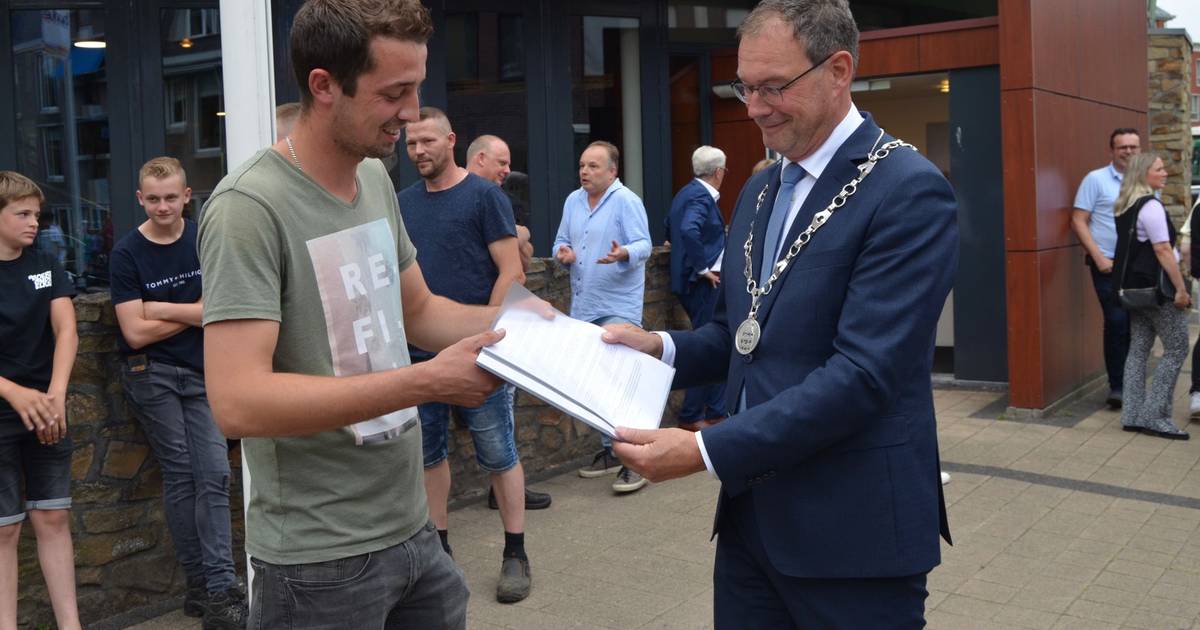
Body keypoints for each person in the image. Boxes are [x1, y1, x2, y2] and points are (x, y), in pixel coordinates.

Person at [602, 1, 956, 626]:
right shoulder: (764, 187)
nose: (754, 106)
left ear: (839, 70)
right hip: (751, 526)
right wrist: (658, 347)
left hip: (855, 537)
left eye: (773, 87)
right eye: (745, 86)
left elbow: (864, 376)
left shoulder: (907, 189)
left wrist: (703, 451)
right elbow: (741, 334)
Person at [198, 1, 508, 627]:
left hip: (412, 527)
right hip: (317, 561)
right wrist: (425, 381)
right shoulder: (247, 209)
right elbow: (237, 401)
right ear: (324, 85)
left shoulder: (371, 178)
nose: (412, 112)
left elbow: (420, 311)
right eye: (394, 92)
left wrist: (532, 329)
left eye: (417, 87)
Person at [399, 107, 548, 603]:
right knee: (428, 456)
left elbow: (512, 272)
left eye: (427, 141)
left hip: (481, 354)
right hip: (419, 356)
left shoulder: (485, 196)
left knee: (499, 453)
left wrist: (486, 334)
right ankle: (439, 553)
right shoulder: (401, 204)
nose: (419, 151)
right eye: (411, 143)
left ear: (450, 140)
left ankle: (516, 552)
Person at [109, 157, 245, 628]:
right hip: (152, 374)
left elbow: (218, 312)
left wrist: (157, 307)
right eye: (153, 198)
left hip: (205, 373)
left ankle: (219, 587)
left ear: (187, 196)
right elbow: (134, 333)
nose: (163, 206)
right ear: (140, 200)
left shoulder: (204, 239)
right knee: (184, 475)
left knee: (214, 474)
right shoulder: (127, 253)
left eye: (171, 197)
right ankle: (208, 590)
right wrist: (192, 310)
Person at [0, 172, 80, 630]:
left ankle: (71, 625)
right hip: (3, 412)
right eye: (22, 214)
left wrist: (56, 394)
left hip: (46, 411)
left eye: (37, 214)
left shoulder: (46, 262)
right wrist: (15, 393)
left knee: (52, 517)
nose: (34, 223)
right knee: (5, 529)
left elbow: (66, 330)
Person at [553, 141, 652, 494]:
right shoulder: (572, 201)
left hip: (617, 304)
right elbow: (561, 241)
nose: (585, 172)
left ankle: (635, 461)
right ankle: (610, 451)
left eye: (594, 166)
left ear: (613, 171)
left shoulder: (626, 201)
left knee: (621, 381)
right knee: (597, 383)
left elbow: (644, 245)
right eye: (582, 165)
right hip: (584, 304)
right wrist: (562, 253)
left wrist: (623, 251)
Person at [1112, 153, 1190, 439]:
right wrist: (1180, 289)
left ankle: (1132, 414)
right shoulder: (1151, 206)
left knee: (1139, 349)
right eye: (1159, 169)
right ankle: (1155, 416)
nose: (1165, 172)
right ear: (1144, 174)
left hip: (1134, 292)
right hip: (1156, 293)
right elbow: (1163, 250)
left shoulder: (1125, 205)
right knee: (1177, 348)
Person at [1072, 128, 1142, 409]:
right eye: (1121, 147)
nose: (1127, 151)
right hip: (1107, 266)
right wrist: (1098, 257)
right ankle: (1118, 387)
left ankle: (1134, 385)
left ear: (1140, 150)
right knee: (1116, 322)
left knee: (1137, 326)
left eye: (1132, 147)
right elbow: (1078, 220)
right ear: (1111, 151)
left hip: (1140, 267)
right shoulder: (1095, 180)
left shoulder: (1147, 181)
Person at [666, 145, 728, 431]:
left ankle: (716, 410)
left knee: (715, 341)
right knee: (709, 344)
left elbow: (670, 228)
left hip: (687, 280)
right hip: (699, 282)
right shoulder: (701, 197)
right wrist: (703, 269)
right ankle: (692, 416)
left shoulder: (685, 193)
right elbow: (689, 230)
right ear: (718, 172)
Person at [466, 134, 533, 271]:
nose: (508, 171)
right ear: (481, 158)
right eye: (502, 163)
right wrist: (522, 233)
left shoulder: (497, 196)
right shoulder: (458, 192)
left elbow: (524, 259)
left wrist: (521, 233)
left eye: (508, 164)